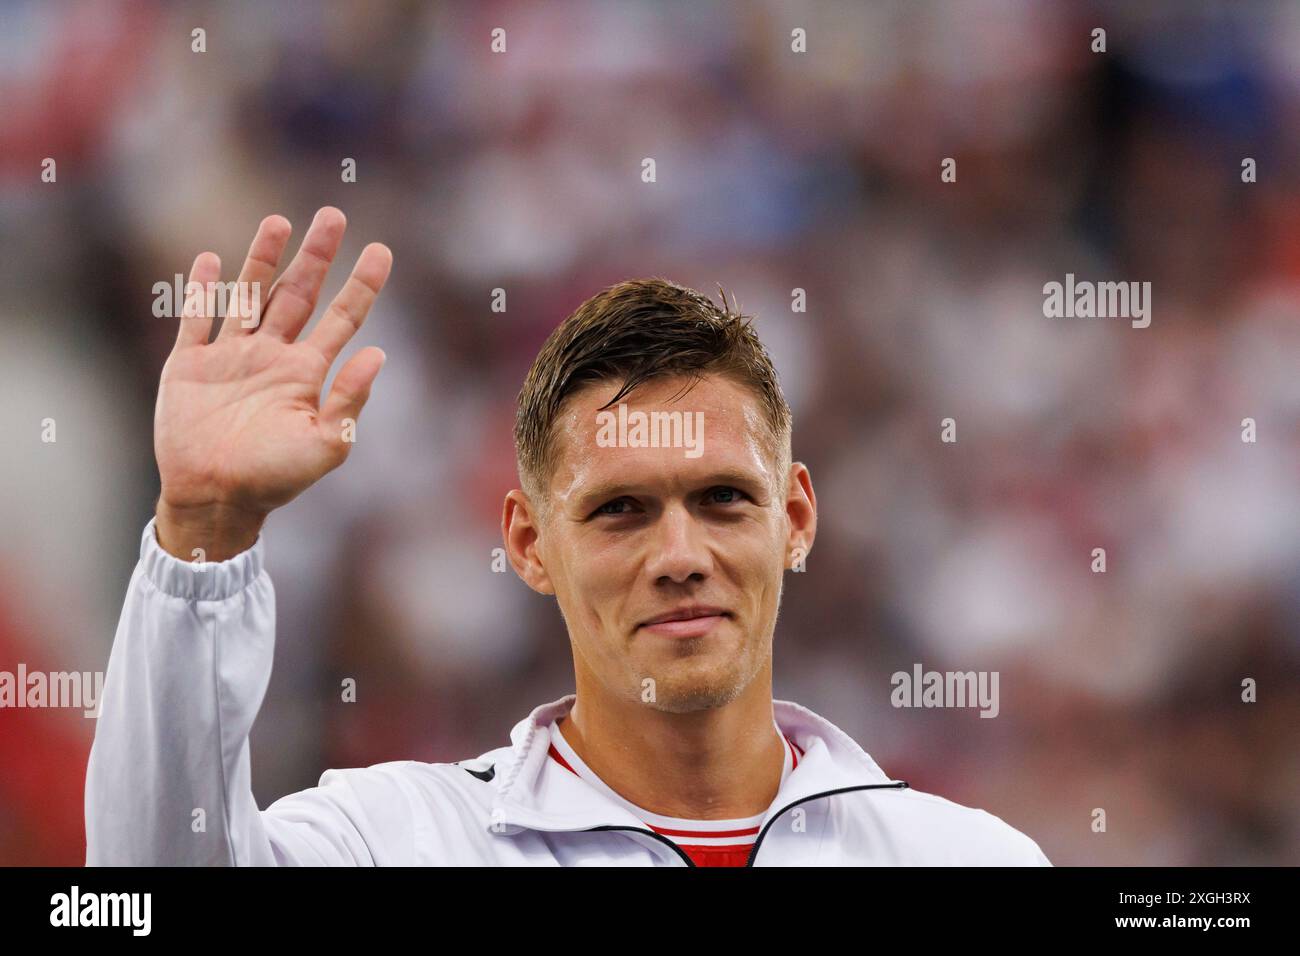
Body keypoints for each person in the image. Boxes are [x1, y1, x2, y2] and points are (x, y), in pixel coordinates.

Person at [85, 207, 1051, 866]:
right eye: (620, 510)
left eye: (722, 498)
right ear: (528, 543)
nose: (681, 557)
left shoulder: (965, 858)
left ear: (795, 518)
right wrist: (204, 528)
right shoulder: (403, 842)